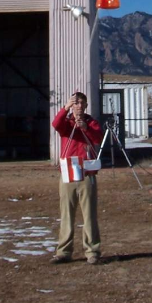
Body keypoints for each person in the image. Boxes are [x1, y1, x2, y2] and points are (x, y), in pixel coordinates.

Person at [51, 91, 103, 265]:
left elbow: (98, 138)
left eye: (82, 103)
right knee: (67, 213)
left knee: (89, 214)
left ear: (86, 106)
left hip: (87, 172)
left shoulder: (91, 122)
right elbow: (56, 124)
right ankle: (64, 251)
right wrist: (65, 108)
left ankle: (92, 251)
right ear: (72, 105)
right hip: (68, 172)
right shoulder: (67, 123)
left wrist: (86, 128)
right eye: (76, 103)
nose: (79, 106)